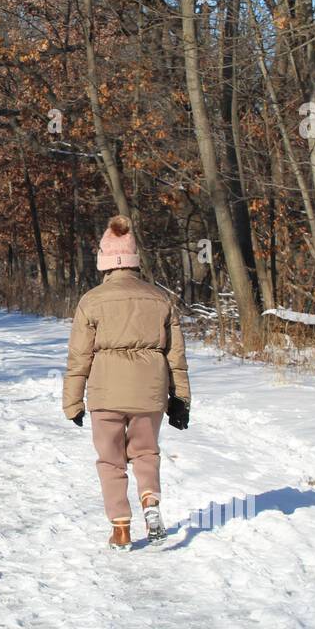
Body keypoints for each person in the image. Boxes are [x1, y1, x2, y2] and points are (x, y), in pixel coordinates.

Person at [62, 216, 191, 550]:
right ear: (135, 259)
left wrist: (73, 402)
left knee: (111, 461)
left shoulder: (91, 300)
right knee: (146, 453)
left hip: (106, 393)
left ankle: (120, 528)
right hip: (150, 393)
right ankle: (150, 501)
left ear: (105, 261)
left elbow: (79, 357)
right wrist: (180, 401)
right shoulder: (160, 299)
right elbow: (175, 356)